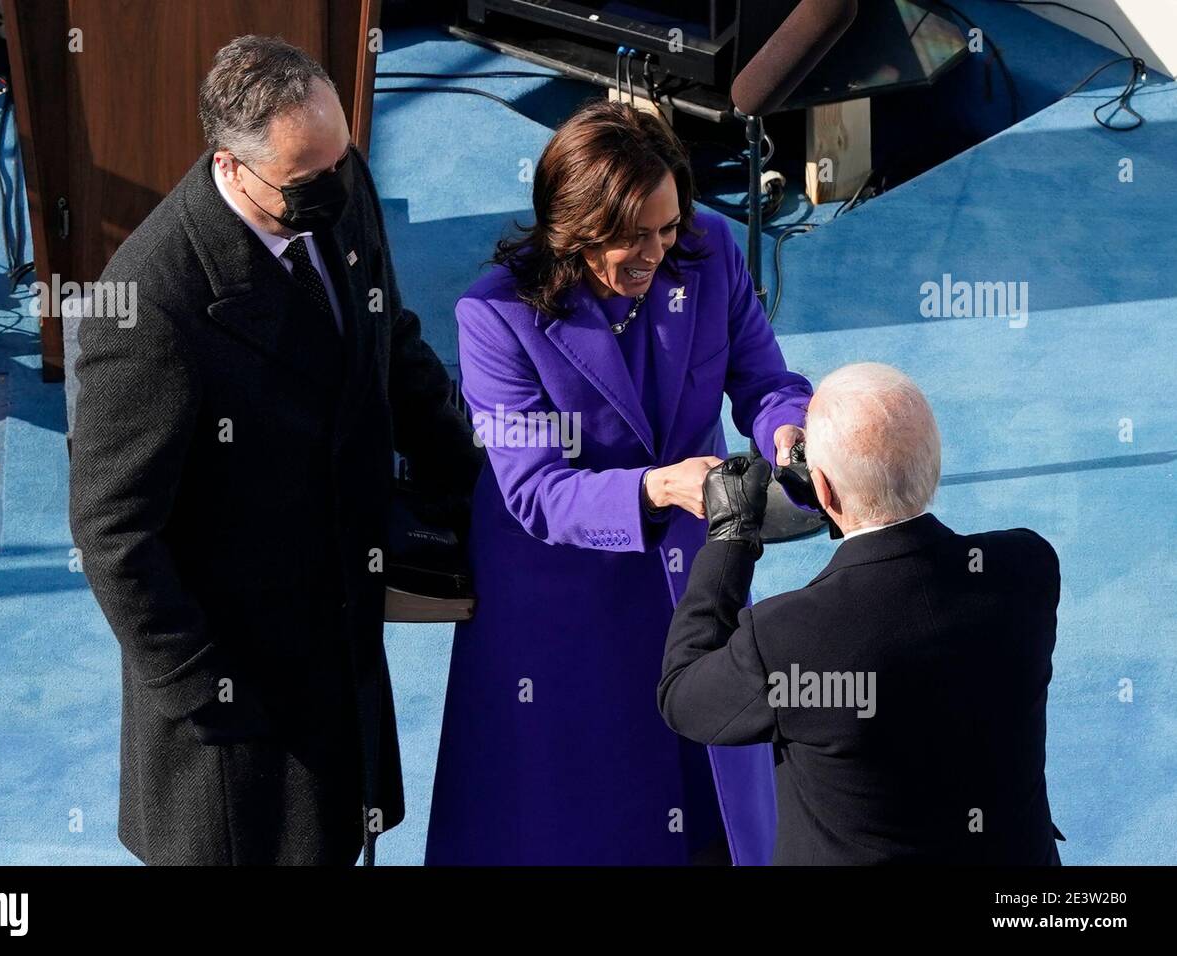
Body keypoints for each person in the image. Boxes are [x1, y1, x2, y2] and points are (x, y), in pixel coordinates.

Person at [68, 35, 481, 865]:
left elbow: (386, 338)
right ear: (230, 165)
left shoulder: (328, 177)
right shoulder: (149, 305)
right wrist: (202, 691)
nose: (338, 188)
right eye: (308, 180)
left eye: (342, 161)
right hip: (238, 714)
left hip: (336, 654)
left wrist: (472, 483)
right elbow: (114, 534)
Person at [424, 99, 813, 865]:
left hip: (694, 575)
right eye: (629, 239)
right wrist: (656, 489)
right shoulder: (493, 316)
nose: (654, 256)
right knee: (576, 818)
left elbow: (764, 379)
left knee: (712, 807)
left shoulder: (710, 251)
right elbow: (535, 491)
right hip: (560, 600)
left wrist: (789, 431)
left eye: (666, 231)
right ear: (571, 228)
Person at [660, 363, 1065, 864]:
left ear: (821, 489)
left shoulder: (786, 639)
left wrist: (729, 540)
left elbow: (683, 695)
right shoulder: (1026, 568)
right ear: (933, 464)